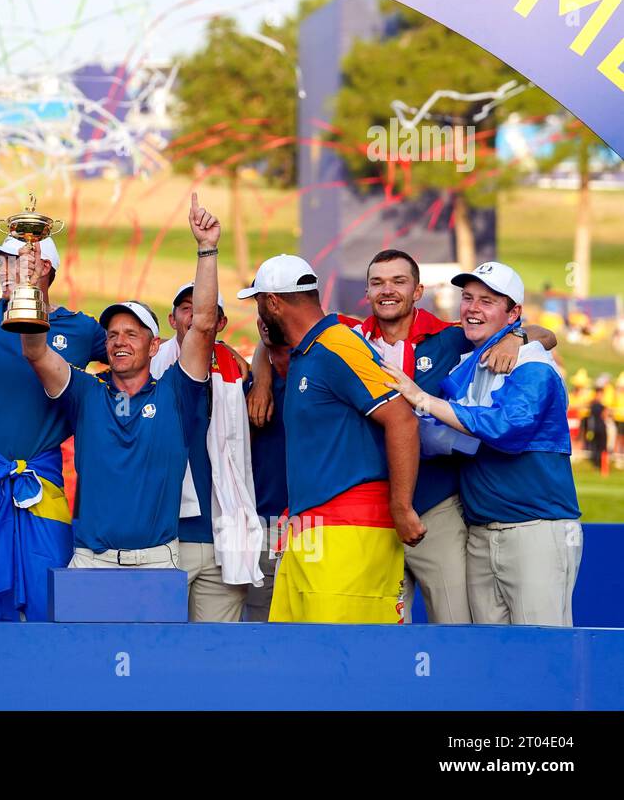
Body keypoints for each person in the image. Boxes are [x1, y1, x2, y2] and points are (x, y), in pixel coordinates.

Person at [17, 195, 221, 574]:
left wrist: (207, 249)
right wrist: (28, 290)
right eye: (111, 335)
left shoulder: (176, 391)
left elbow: (204, 324)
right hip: (90, 559)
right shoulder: (86, 391)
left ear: (154, 344)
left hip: (158, 560)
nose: (119, 342)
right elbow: (36, 352)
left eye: (132, 333)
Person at [384, 261, 582, 626]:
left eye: (488, 301)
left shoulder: (534, 365)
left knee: (542, 652)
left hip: (535, 529)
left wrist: (422, 399)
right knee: (492, 656)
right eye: (468, 298)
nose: (473, 308)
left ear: (514, 313)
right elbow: (441, 437)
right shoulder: (468, 365)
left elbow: (508, 428)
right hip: (480, 532)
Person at [239, 253, 423, 624]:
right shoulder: (309, 350)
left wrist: (401, 507)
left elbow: (403, 419)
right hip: (310, 526)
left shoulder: (337, 344)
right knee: (299, 657)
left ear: (273, 303)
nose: (258, 317)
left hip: (351, 529)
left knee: (343, 660)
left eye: (259, 304)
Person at [0, 229, 109, 621]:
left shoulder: (80, 328)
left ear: (43, 267)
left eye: (12, 261)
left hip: (43, 488)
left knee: (46, 613)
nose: (1, 271)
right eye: (0, 263)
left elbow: (141, 354)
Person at [149, 281, 262, 620]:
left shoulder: (237, 372)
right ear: (172, 318)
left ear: (221, 323)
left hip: (223, 537)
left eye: (208, 312)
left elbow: (274, 346)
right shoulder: (148, 367)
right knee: (158, 646)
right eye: (188, 308)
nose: (197, 316)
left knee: (216, 651)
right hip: (165, 537)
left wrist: (262, 375)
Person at [242, 317, 288, 622]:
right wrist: (260, 380)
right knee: (260, 622)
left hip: (317, 522)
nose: (266, 323)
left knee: (310, 624)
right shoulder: (254, 381)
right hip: (265, 522)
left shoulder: (324, 363)